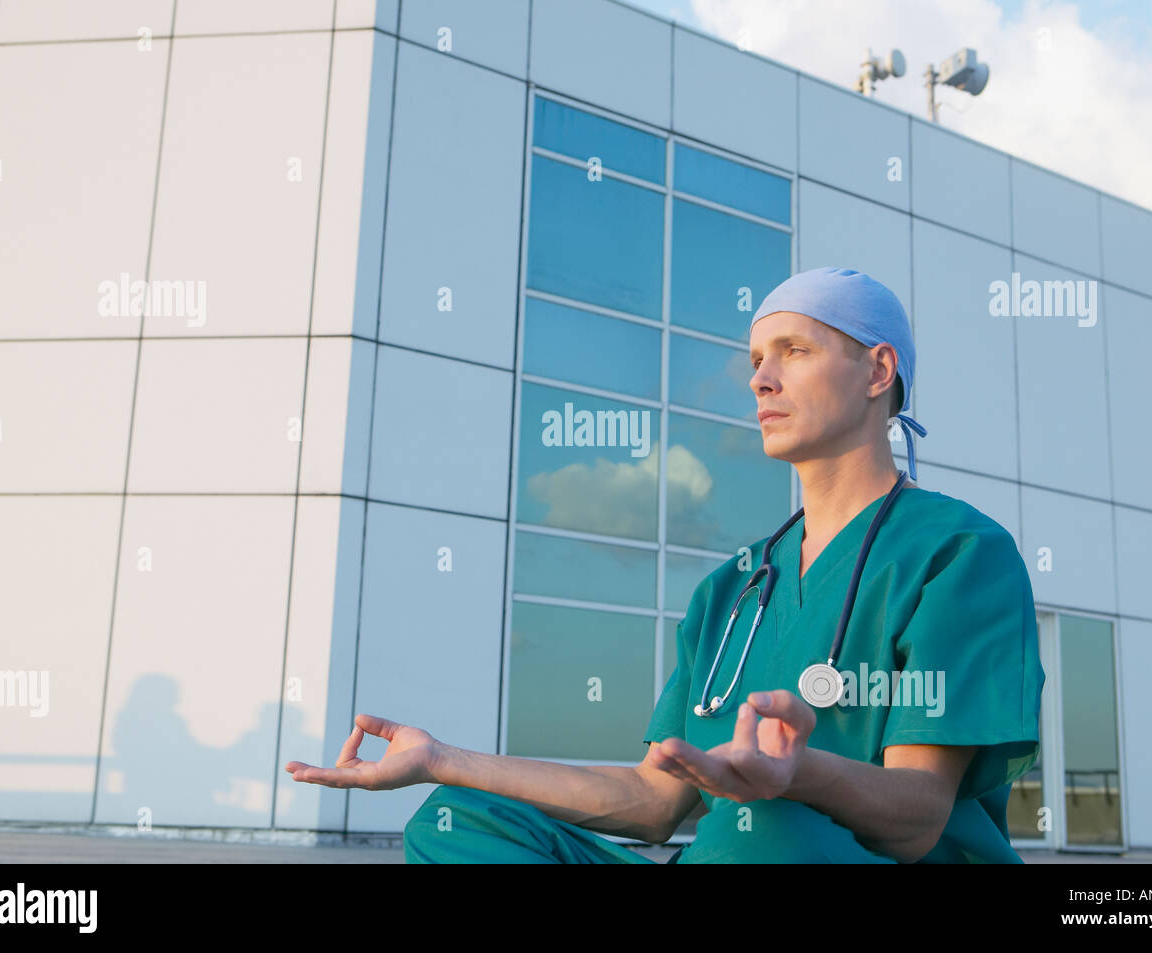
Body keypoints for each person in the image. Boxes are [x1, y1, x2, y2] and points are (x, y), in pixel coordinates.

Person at [286, 266, 1045, 864]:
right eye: (755, 359)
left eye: (795, 351)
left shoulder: (959, 554)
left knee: (767, 830)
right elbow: (655, 801)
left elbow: (917, 819)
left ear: (879, 371)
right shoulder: (737, 586)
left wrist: (797, 774)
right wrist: (441, 760)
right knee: (457, 822)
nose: (760, 379)